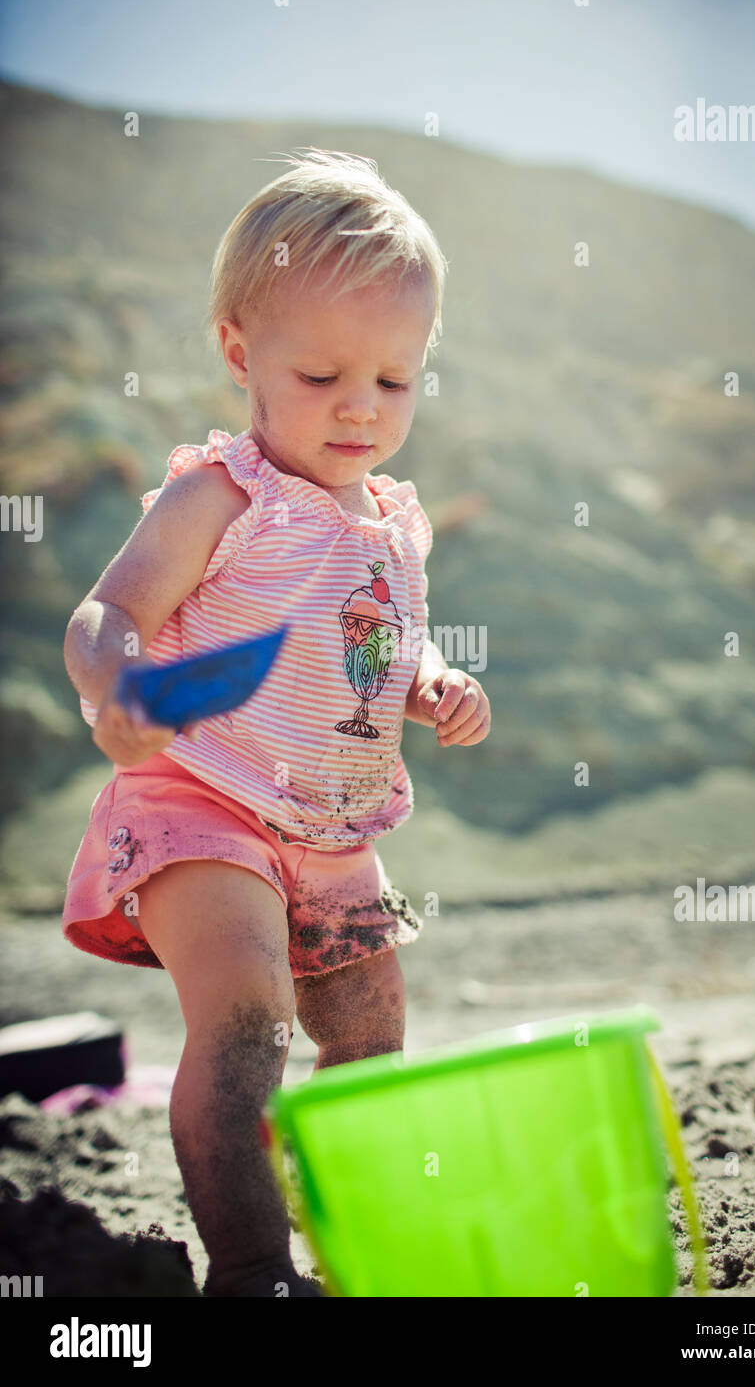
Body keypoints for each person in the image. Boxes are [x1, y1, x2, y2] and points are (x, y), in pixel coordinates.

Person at [61, 148, 492, 1297]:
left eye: (395, 382)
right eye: (320, 375)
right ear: (241, 354)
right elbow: (109, 610)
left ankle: (352, 1245)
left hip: (336, 833)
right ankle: (249, 1271)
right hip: (201, 800)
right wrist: (115, 694)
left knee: (366, 1036)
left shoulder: (398, 524)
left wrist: (434, 681)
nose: (360, 405)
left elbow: (382, 644)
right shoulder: (224, 496)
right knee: (250, 1025)